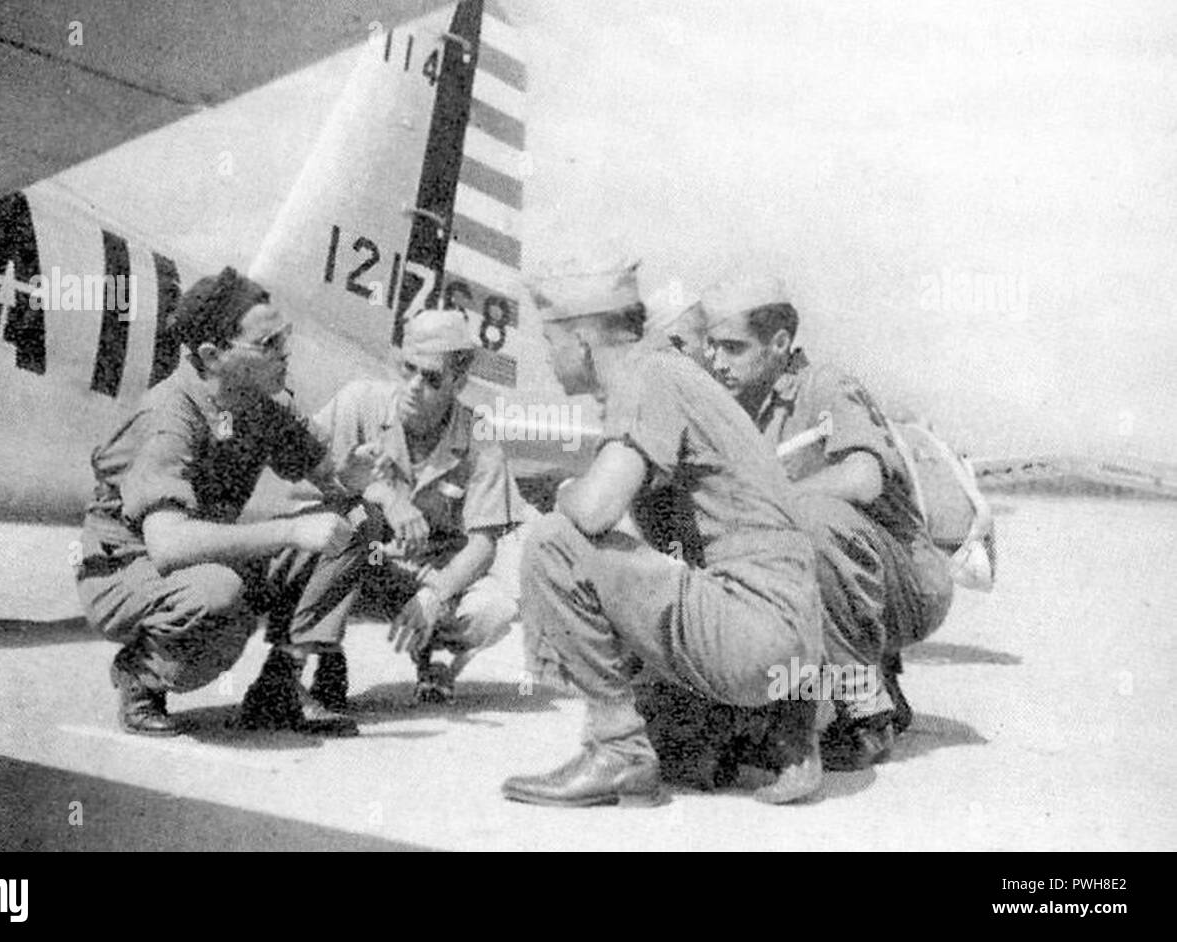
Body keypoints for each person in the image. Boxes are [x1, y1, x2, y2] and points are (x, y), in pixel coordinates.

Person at [501, 259, 825, 808]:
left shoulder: (645, 374)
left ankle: (618, 753)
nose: (549, 359)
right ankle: (753, 732)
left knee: (555, 542)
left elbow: (596, 511)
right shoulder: (674, 373)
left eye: (550, 342)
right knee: (673, 738)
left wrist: (563, 492)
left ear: (582, 343)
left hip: (754, 635)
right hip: (788, 650)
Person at [76, 267, 378, 738]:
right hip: (127, 570)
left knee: (355, 523)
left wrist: (352, 476)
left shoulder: (261, 401)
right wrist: (290, 531)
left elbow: (331, 478)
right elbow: (169, 545)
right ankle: (142, 675)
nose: (285, 352)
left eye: (285, 337)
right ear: (212, 356)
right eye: (269, 344)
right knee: (219, 596)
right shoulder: (169, 416)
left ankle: (279, 686)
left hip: (205, 555)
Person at [702, 275, 954, 768]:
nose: (717, 361)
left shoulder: (826, 386)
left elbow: (863, 480)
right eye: (712, 347)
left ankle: (864, 712)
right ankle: (861, 687)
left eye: (733, 348)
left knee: (812, 519)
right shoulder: (735, 410)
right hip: (850, 580)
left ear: (779, 344)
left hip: (909, 586)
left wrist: (772, 502)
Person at [308, 307, 527, 705]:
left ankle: (436, 659)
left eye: (430, 378)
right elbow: (304, 477)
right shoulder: (359, 403)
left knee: (493, 609)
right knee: (325, 534)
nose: (412, 386)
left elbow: (483, 545)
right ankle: (318, 654)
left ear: (458, 383)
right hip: (362, 565)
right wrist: (382, 494)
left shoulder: (479, 436)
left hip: (430, 572)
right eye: (407, 368)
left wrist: (436, 595)